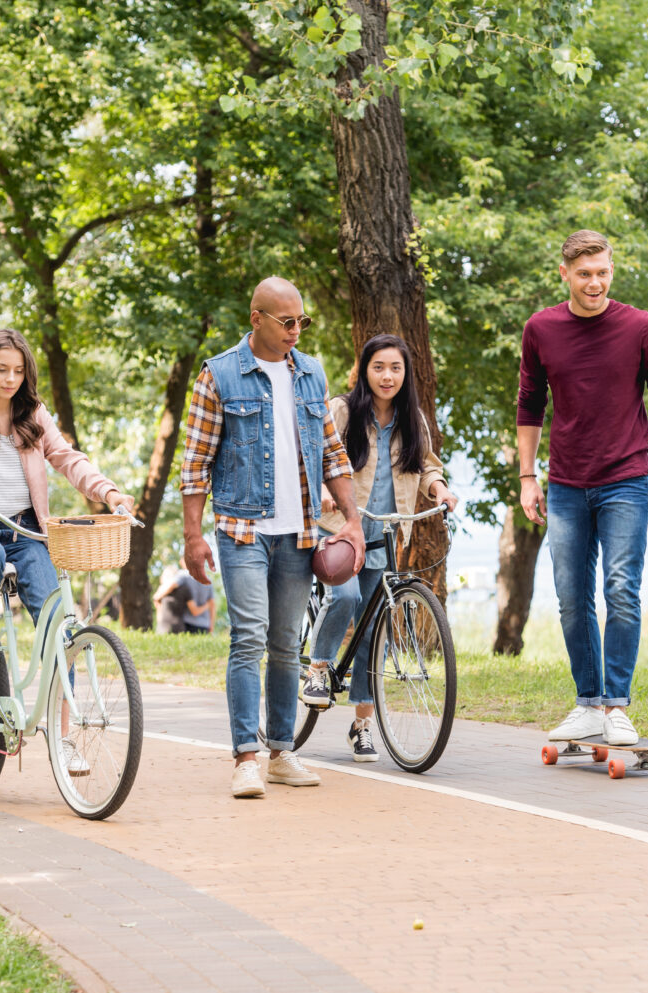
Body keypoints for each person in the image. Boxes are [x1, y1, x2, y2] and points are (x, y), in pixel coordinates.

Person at [180, 277, 366, 798]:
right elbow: (194, 465)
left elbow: (333, 455)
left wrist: (351, 518)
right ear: (256, 318)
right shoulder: (217, 376)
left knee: (286, 646)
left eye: (302, 321)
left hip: (300, 531)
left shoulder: (310, 373)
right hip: (242, 530)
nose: (296, 331)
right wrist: (193, 537)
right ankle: (245, 757)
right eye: (287, 322)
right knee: (249, 638)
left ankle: (282, 752)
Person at [0, 328, 136, 775]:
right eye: (1, 369)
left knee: (62, 630)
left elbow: (68, 459)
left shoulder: (34, 416)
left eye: (18, 371)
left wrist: (110, 493)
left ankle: (61, 740)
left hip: (27, 534)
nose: (10, 379)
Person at [515, 230, 648, 746]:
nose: (595, 282)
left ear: (612, 271)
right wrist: (527, 476)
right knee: (572, 597)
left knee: (621, 591)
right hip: (566, 484)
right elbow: (529, 404)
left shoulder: (638, 326)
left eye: (603, 273)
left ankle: (616, 705)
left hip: (627, 482)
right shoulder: (540, 329)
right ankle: (587, 703)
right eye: (584, 273)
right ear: (564, 273)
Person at [302, 334, 459, 762]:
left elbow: (428, 465)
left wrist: (441, 491)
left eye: (396, 368)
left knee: (376, 631)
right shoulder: (343, 410)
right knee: (346, 595)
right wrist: (321, 487)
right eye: (378, 367)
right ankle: (318, 668)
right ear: (364, 371)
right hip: (339, 529)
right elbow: (313, 455)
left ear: (406, 374)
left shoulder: (414, 419)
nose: (387, 376)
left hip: (385, 535)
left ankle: (362, 725)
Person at [154, 555, 215, 634]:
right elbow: (212, 605)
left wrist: (157, 596)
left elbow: (171, 585)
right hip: (205, 625)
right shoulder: (207, 580)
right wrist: (211, 626)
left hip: (188, 624)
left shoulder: (183, 574)